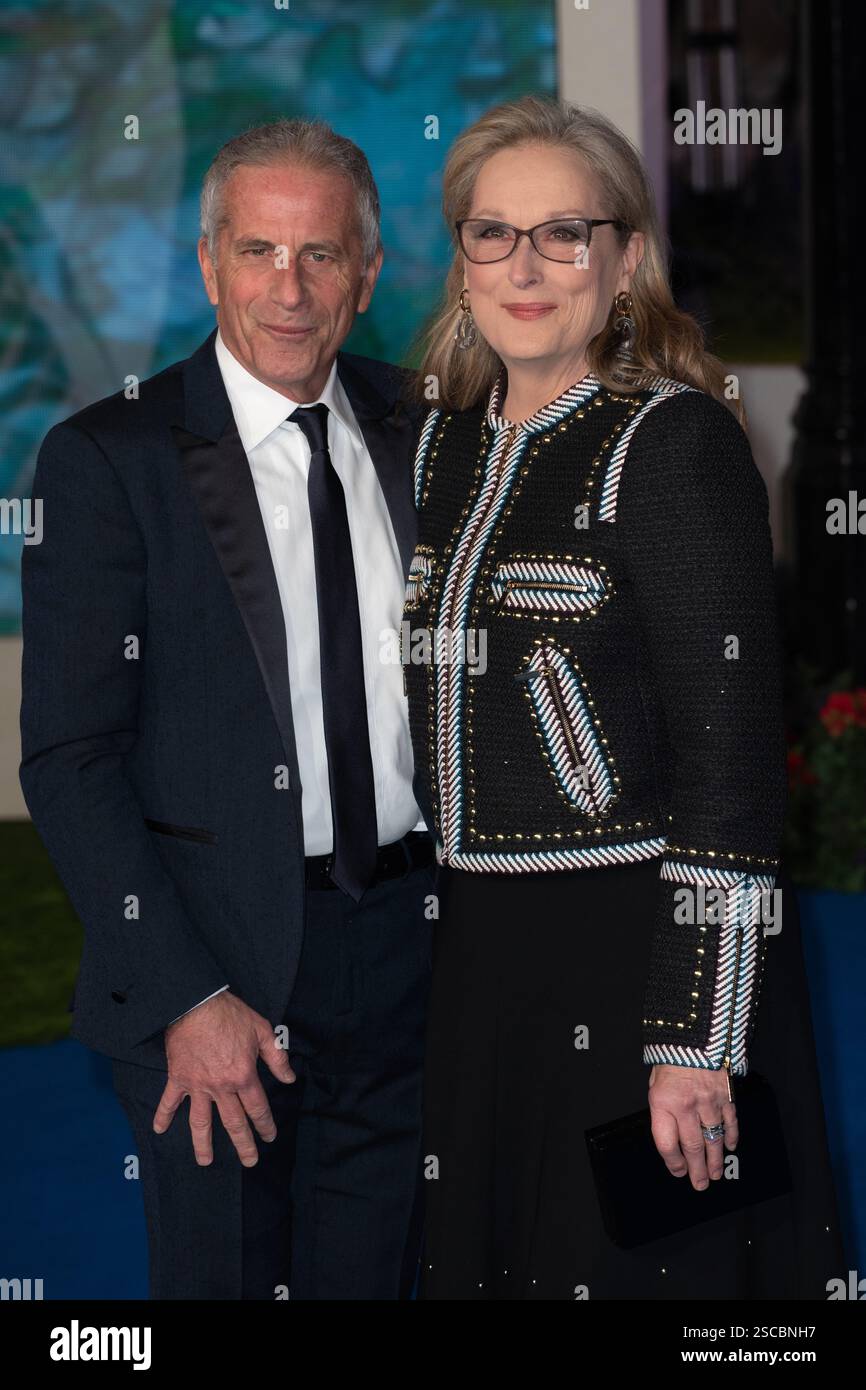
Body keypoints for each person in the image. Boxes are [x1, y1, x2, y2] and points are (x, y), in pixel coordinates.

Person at [403, 94, 845, 1300]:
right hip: (473, 955)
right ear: (461, 257)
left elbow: (732, 754)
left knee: (641, 1271)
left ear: (625, 255)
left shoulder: (672, 443)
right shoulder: (432, 447)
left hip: (634, 939)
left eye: (563, 233)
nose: (525, 267)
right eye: (492, 234)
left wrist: (693, 1040)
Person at [19, 118, 434, 1300]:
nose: (287, 291)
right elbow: (69, 757)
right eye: (256, 252)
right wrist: (188, 995)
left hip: (415, 950)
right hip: (219, 967)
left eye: (318, 255)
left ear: (367, 270)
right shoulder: (109, 460)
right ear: (208, 265)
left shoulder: (429, 430)